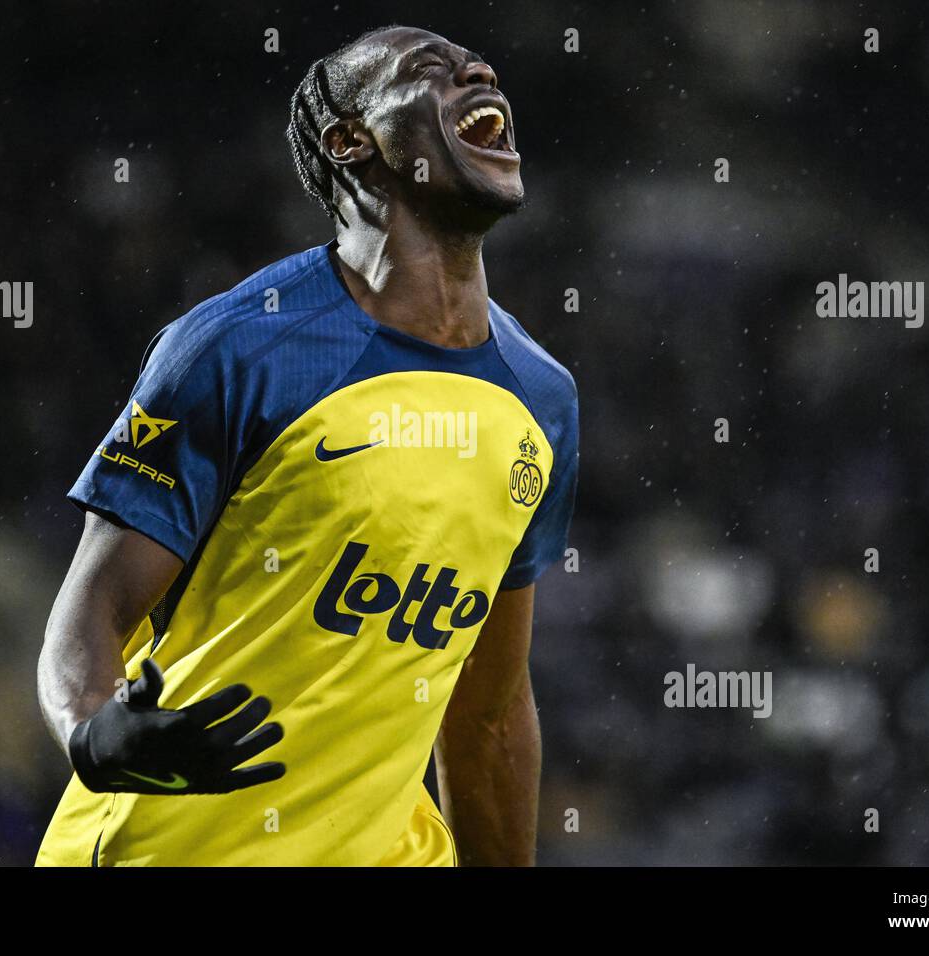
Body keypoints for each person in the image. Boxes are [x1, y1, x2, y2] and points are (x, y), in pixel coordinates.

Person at [36, 24, 578, 866]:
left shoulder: (541, 401)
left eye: (476, 62)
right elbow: (93, 606)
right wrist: (93, 731)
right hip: (178, 848)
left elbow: (490, 712)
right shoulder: (234, 348)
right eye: (427, 69)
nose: (476, 69)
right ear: (351, 141)